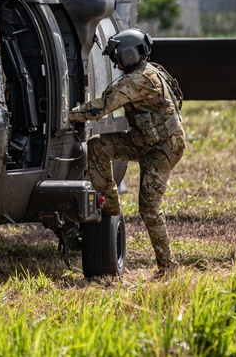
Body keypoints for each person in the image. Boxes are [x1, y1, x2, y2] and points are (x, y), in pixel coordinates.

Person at [69, 28, 186, 275]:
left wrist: (69, 115)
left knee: (149, 207)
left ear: (129, 55)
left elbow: (100, 108)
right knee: (98, 146)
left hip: (163, 148)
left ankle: (168, 267)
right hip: (146, 140)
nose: (116, 62)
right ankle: (111, 205)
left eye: (117, 57)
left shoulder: (137, 80)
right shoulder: (150, 70)